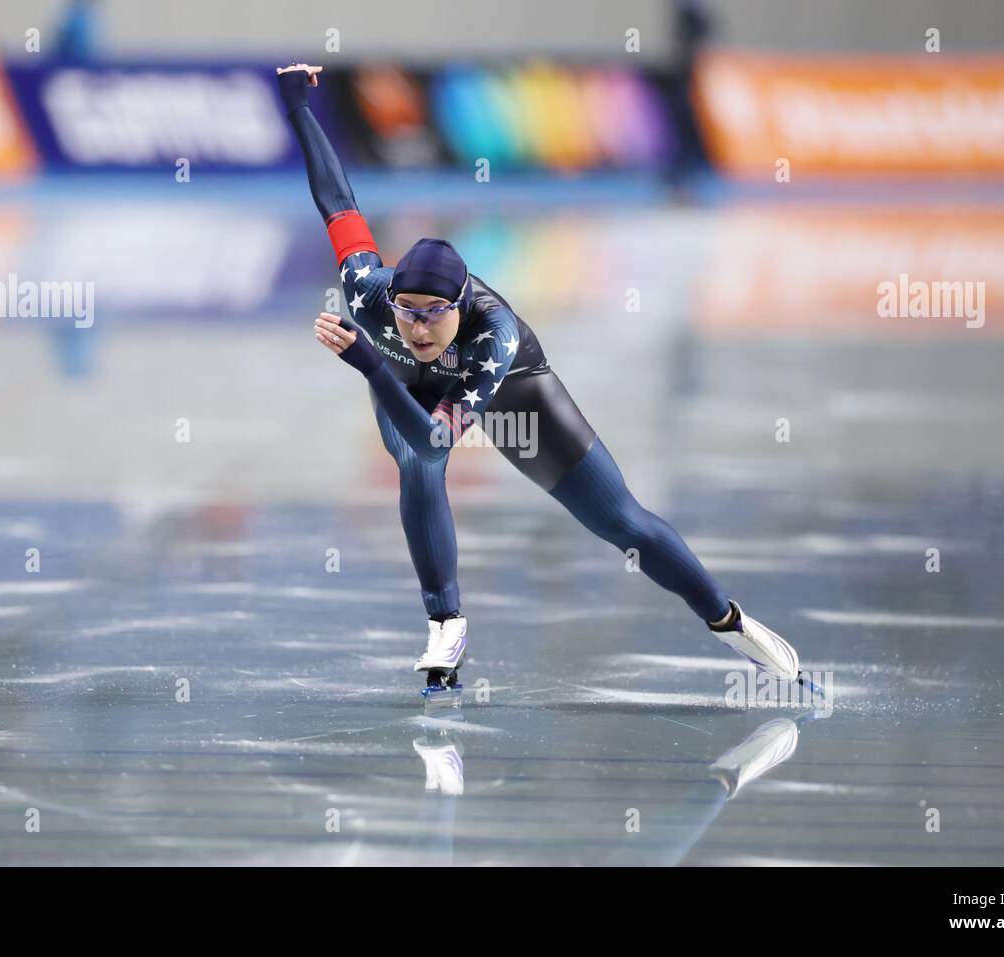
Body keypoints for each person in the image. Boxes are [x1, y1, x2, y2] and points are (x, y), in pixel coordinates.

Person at [277, 63, 803, 697]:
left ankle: (731, 621)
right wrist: (302, 109)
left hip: (513, 396)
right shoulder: (366, 291)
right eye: (406, 312)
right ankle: (446, 622)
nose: (417, 328)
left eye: (433, 315)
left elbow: (437, 437)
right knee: (415, 465)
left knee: (623, 524)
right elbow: (338, 200)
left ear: (461, 306)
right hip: (409, 389)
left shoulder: (492, 336)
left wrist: (367, 361)